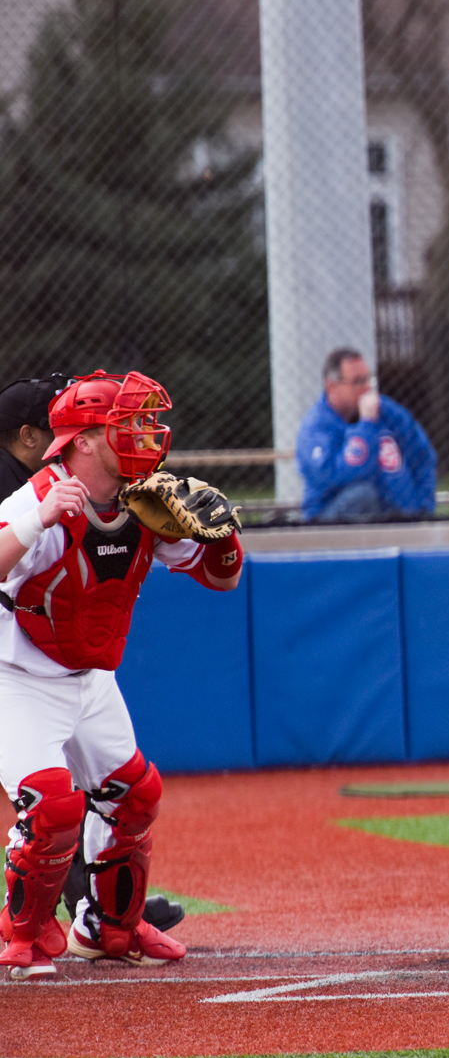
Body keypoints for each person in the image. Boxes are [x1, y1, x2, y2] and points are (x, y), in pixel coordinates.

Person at [0, 371, 245, 980]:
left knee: (135, 798)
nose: (145, 434)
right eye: (128, 423)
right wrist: (37, 521)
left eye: (145, 422)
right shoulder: (42, 492)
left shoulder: (146, 497)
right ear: (83, 439)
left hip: (89, 676)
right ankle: (21, 936)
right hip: (17, 674)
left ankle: (108, 928)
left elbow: (223, 579)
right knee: (53, 806)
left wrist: (223, 539)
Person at [296, 348, 437, 522]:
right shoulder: (316, 427)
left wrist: (423, 508)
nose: (366, 388)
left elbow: (423, 457)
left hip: (399, 518)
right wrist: (366, 426)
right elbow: (335, 476)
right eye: (357, 381)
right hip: (331, 526)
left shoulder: (388, 413)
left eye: (368, 379)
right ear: (332, 386)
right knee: (364, 495)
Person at [0, 375, 65, 496]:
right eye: (58, 430)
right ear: (29, 436)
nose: (66, 440)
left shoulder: (12, 474)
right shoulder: (9, 490)